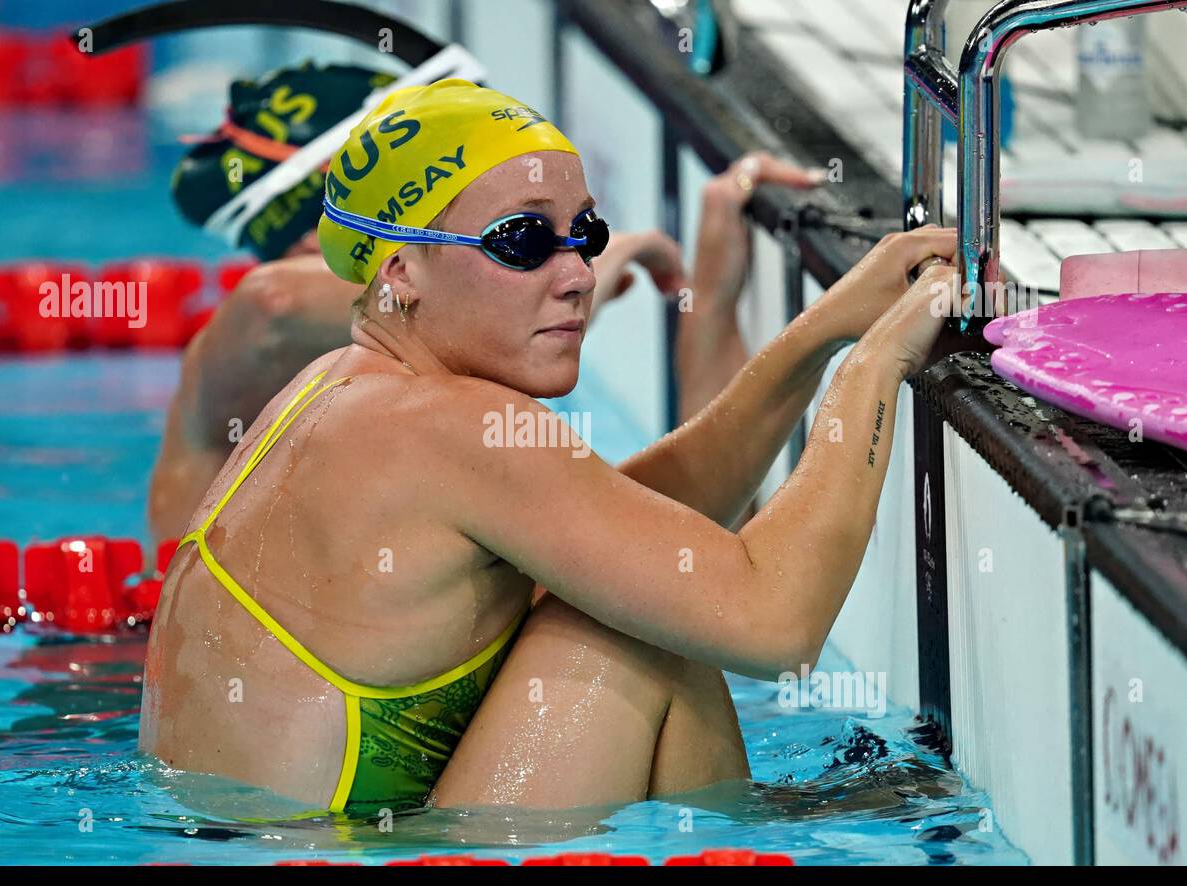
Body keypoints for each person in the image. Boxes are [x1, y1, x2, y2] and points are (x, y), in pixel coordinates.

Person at [139, 79, 957, 815]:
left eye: (585, 234)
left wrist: (822, 331)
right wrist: (875, 364)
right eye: (523, 243)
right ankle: (750, 833)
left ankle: (752, 821)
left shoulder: (344, 389)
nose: (576, 274)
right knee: (641, 632)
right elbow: (775, 624)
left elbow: (632, 537)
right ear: (400, 271)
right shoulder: (445, 426)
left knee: (641, 594)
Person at [149, 61, 720, 544]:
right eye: (520, 241)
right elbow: (273, 300)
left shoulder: (419, 378)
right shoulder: (260, 339)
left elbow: (669, 548)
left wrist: (713, 302)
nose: (576, 274)